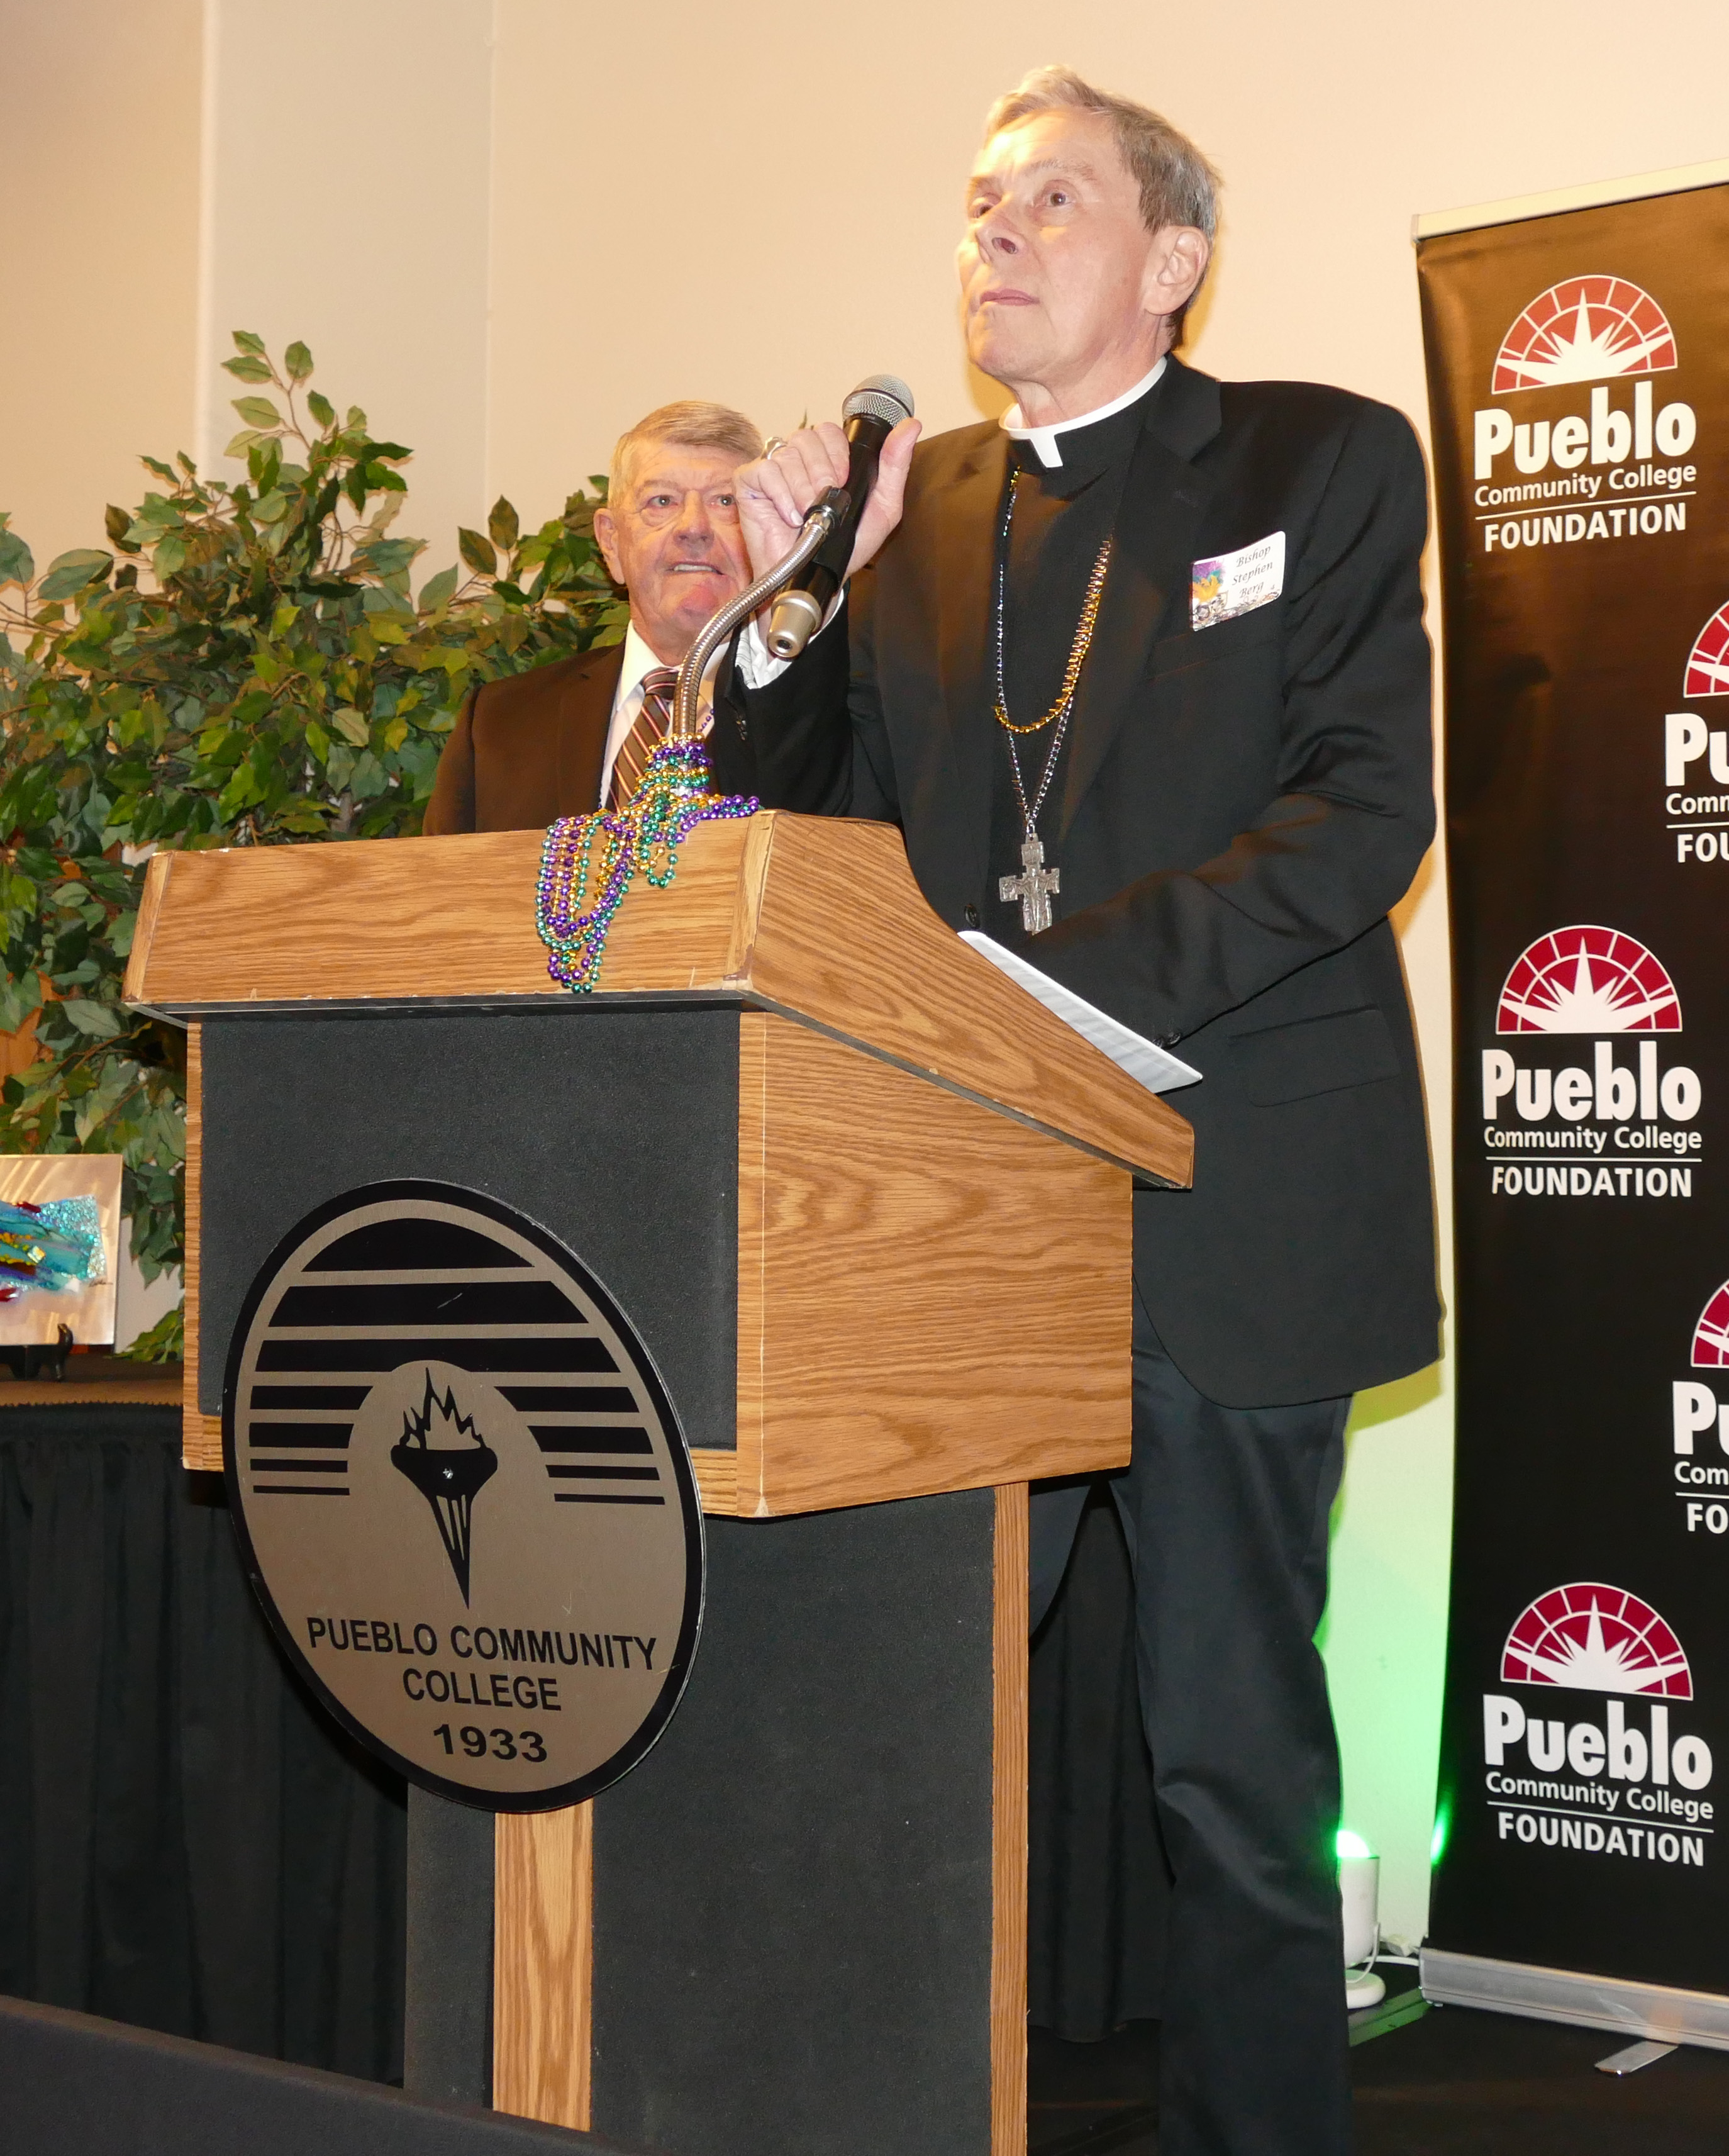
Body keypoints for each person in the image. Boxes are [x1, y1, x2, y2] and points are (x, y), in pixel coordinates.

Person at [726, 65, 1438, 2156]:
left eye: (1051, 200)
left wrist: (1044, 997)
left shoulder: (1313, 456)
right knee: (907, 1723)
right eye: (974, 204)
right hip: (968, 1223)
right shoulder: (918, 509)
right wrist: (792, 600)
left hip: (1228, 1195)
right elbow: (806, 831)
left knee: (1222, 1756)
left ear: (1171, 261)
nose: (996, 236)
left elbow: (1356, 813)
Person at [424, 400, 762, 834]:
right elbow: (443, 893)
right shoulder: (498, 724)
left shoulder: (815, 717)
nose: (693, 527)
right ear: (610, 542)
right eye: (662, 500)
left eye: (725, 502)